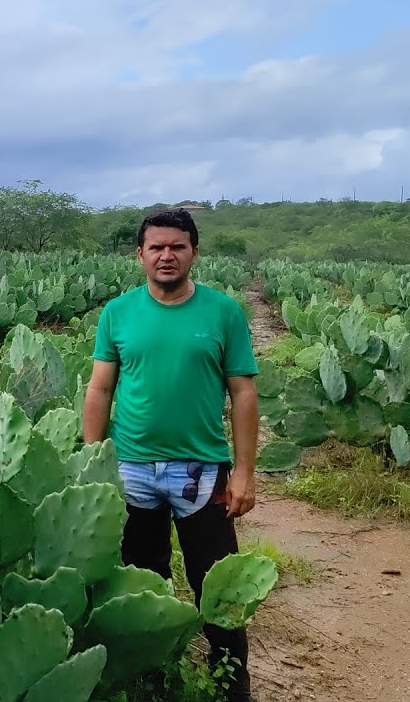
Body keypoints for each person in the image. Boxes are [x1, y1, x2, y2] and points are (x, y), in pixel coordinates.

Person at [83, 207, 259, 702]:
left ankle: (230, 683)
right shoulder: (118, 313)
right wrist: (91, 462)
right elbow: (100, 390)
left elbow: (243, 394)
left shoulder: (223, 311)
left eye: (177, 247)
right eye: (156, 247)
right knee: (141, 580)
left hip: (202, 471)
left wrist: (244, 471)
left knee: (219, 583)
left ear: (194, 253)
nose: (166, 255)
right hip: (132, 467)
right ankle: (152, 678)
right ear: (139, 254)